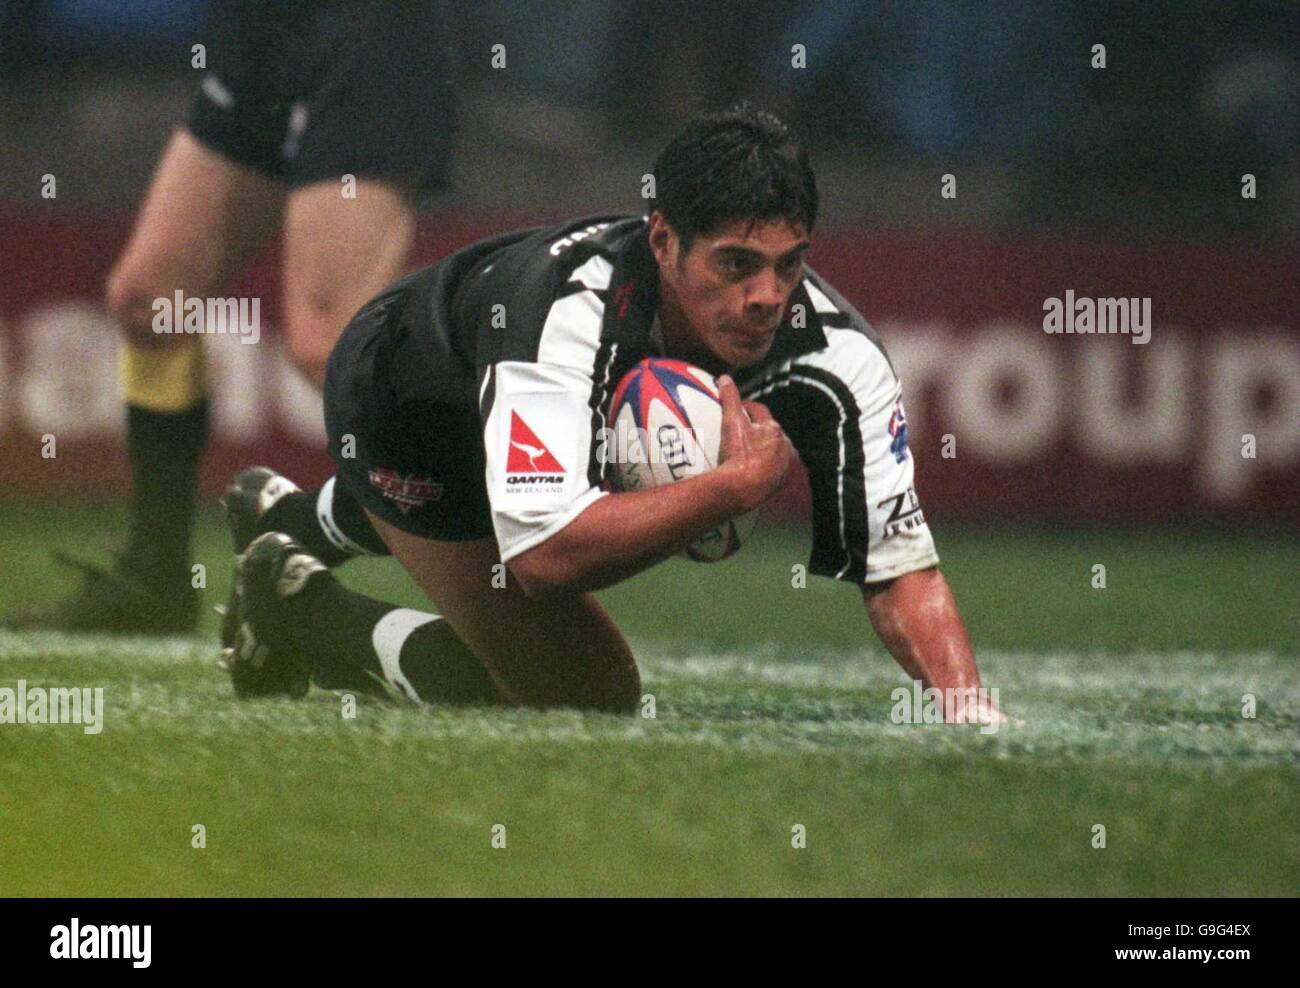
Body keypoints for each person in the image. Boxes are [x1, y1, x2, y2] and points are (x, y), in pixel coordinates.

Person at [217, 104, 1000, 722]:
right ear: (662, 238)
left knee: (593, 455)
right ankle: (295, 609)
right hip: (410, 410)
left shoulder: (837, 356)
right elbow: (544, 558)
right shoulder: (570, 309)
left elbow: (900, 567)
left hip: (516, 409)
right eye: (735, 263)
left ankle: (293, 515)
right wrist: (729, 490)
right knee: (582, 693)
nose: (766, 297)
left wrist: (968, 712)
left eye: (787, 264)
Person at [2, 0, 457, 633]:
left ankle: (519, 545)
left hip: (365, 37)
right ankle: (152, 582)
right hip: (265, 33)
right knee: (152, 299)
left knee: (327, 345)